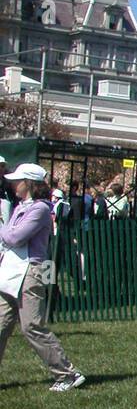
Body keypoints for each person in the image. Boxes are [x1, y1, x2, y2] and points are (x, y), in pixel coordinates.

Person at [0, 163, 85, 392]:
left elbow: (15, 237)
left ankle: (67, 373)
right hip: (12, 271)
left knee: (31, 326)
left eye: (17, 180)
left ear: (28, 183)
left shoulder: (39, 209)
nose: (12, 184)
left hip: (31, 271)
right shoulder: (21, 207)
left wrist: (3, 230)